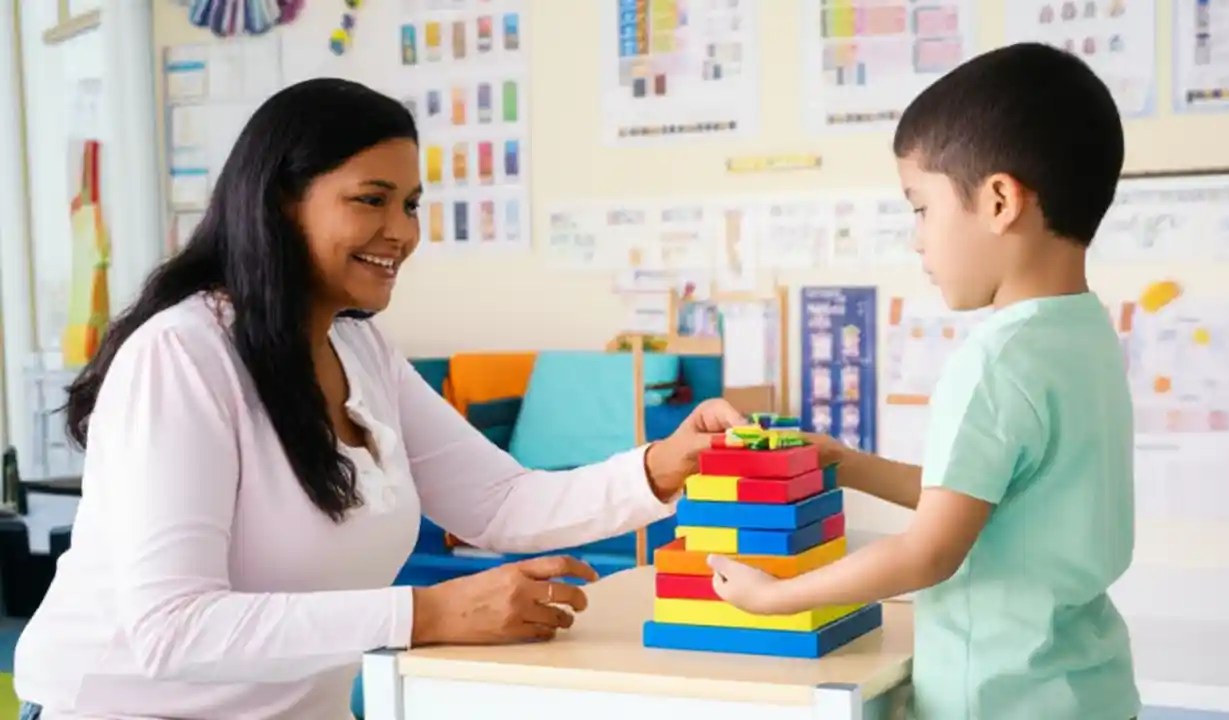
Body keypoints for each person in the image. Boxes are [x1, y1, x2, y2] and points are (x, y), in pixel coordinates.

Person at [14, 78, 743, 719]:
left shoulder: (359, 348)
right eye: (371, 200)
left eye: (411, 204)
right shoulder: (182, 356)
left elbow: (498, 502)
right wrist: (426, 612)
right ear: (279, 203)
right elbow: (172, 629)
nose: (402, 232)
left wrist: (662, 467)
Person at [708, 43, 1140, 719]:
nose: (916, 240)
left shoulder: (995, 361)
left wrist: (775, 596)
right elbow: (981, 498)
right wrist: (850, 464)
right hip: (1088, 690)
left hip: (994, 701)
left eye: (919, 208)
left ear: (999, 200)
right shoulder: (1082, 334)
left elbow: (931, 550)